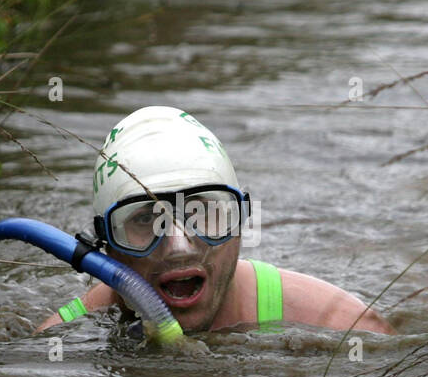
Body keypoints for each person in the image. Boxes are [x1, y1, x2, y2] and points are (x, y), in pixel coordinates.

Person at [35, 106, 394, 336]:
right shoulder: (66, 339)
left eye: (201, 212)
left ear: (239, 224)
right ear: (105, 245)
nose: (178, 245)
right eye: (146, 218)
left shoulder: (340, 326)